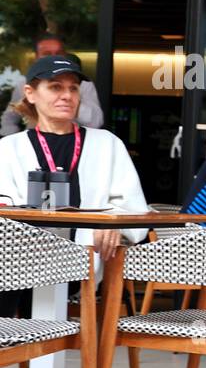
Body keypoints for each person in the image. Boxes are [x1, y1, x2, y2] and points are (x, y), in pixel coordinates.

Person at [0, 53, 148, 260]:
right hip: (20, 269)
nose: (67, 95)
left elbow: (134, 208)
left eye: (73, 88)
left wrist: (113, 225)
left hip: (87, 268)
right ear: (30, 93)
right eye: (55, 87)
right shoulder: (9, 148)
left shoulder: (107, 144)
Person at [1, 33, 105, 135]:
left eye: (59, 53)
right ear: (37, 57)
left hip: (76, 144)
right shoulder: (25, 84)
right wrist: (14, 142)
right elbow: (9, 118)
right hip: (33, 145)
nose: (54, 58)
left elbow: (96, 122)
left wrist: (72, 102)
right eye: (47, 54)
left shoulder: (83, 83)